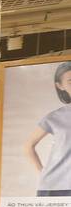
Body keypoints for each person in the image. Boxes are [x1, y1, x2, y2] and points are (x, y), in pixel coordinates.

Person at [26, 60, 71, 197]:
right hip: (55, 188)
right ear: (60, 86)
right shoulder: (54, 117)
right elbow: (29, 145)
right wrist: (42, 172)